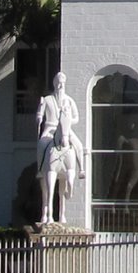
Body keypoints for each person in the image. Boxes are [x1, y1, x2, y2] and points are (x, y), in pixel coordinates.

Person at [35, 72, 84, 224]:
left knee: (78, 145)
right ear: (54, 83)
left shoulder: (69, 101)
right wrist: (38, 116)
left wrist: (68, 121)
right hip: (50, 129)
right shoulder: (47, 99)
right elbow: (40, 115)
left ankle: (81, 168)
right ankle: (40, 168)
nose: (60, 85)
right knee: (42, 144)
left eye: (62, 82)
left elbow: (76, 117)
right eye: (58, 82)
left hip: (65, 129)